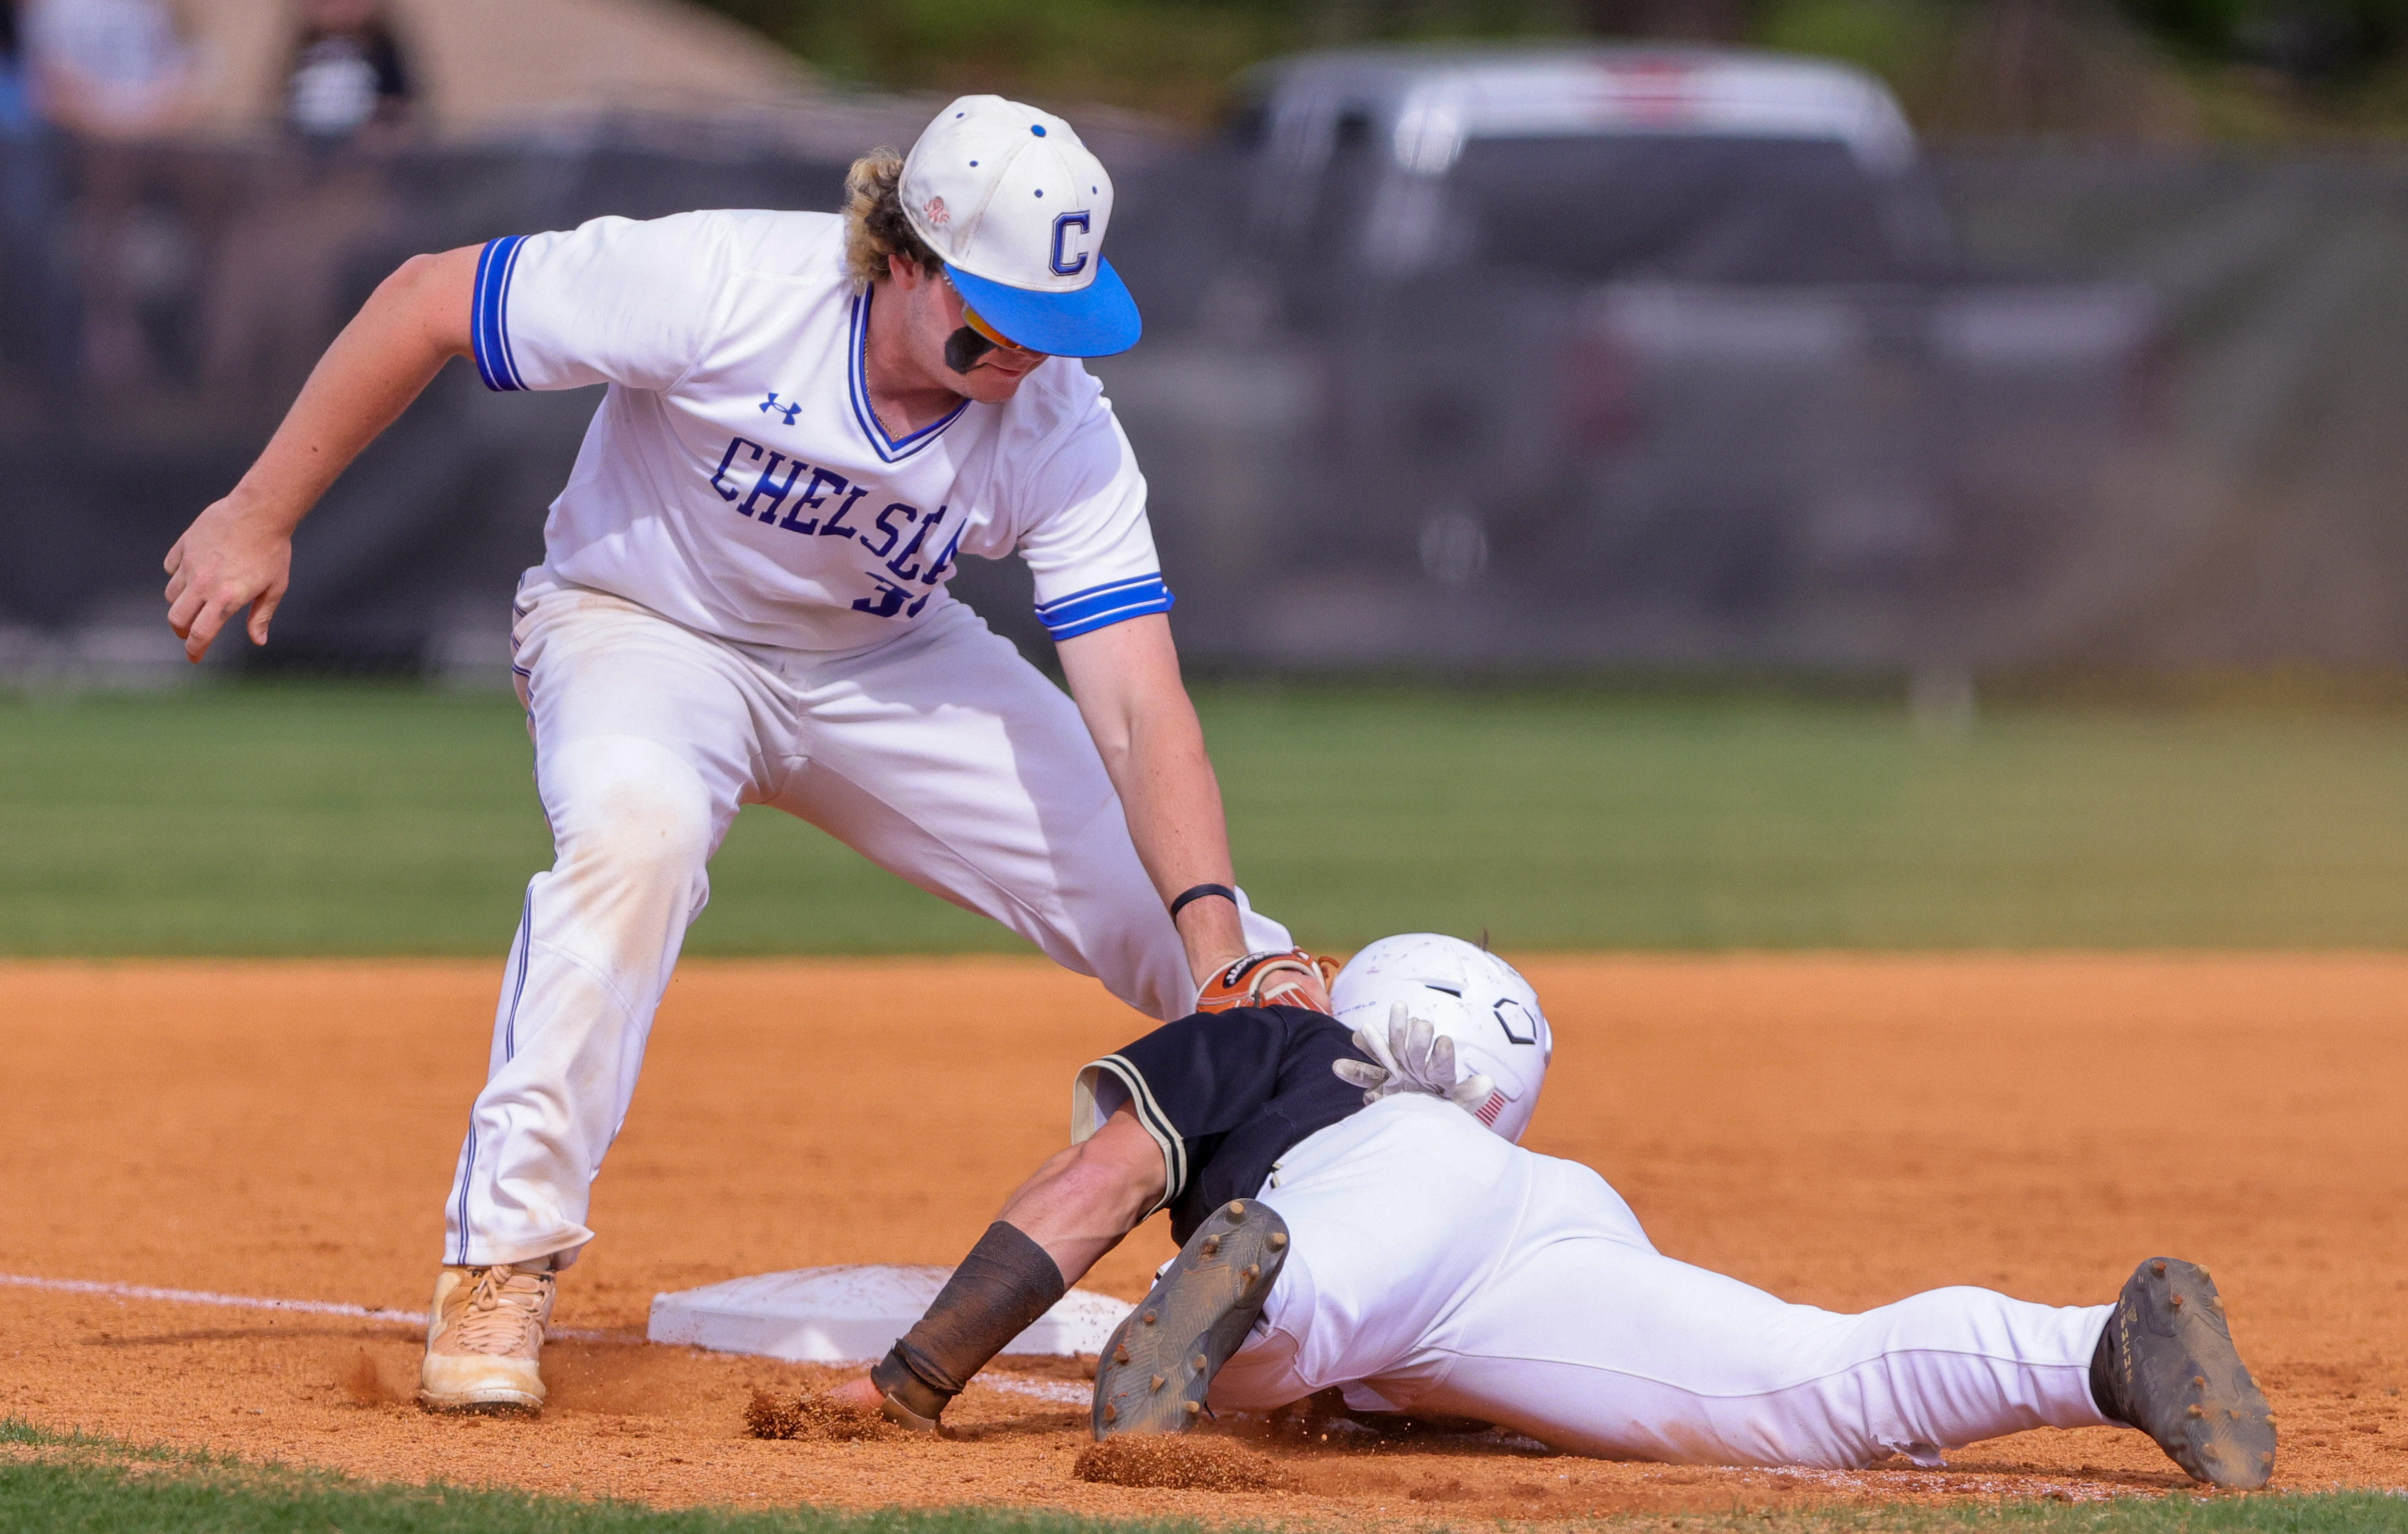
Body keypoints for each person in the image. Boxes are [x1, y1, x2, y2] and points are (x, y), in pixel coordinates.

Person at [158, 96, 1337, 1416]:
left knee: (1215, 944)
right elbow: (431, 296)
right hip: (640, 624)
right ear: (906, 251)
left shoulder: (1054, 419)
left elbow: (1136, 704)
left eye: (1055, 317)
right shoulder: (722, 281)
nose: (1026, 351)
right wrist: (257, 511)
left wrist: (1216, 935)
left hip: (887, 663)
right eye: (999, 308)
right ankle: (504, 1255)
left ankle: (1348, 1269)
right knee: (636, 830)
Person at [829, 934, 2278, 1491]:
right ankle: (2094, 1350)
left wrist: (918, 1375)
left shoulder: (1269, 1042)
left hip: (1357, 1205)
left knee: (1272, 1333)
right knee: (1796, 1378)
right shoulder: (1518, 1157)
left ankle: (1256, 1281)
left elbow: (1094, 1184)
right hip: (1554, 1222)